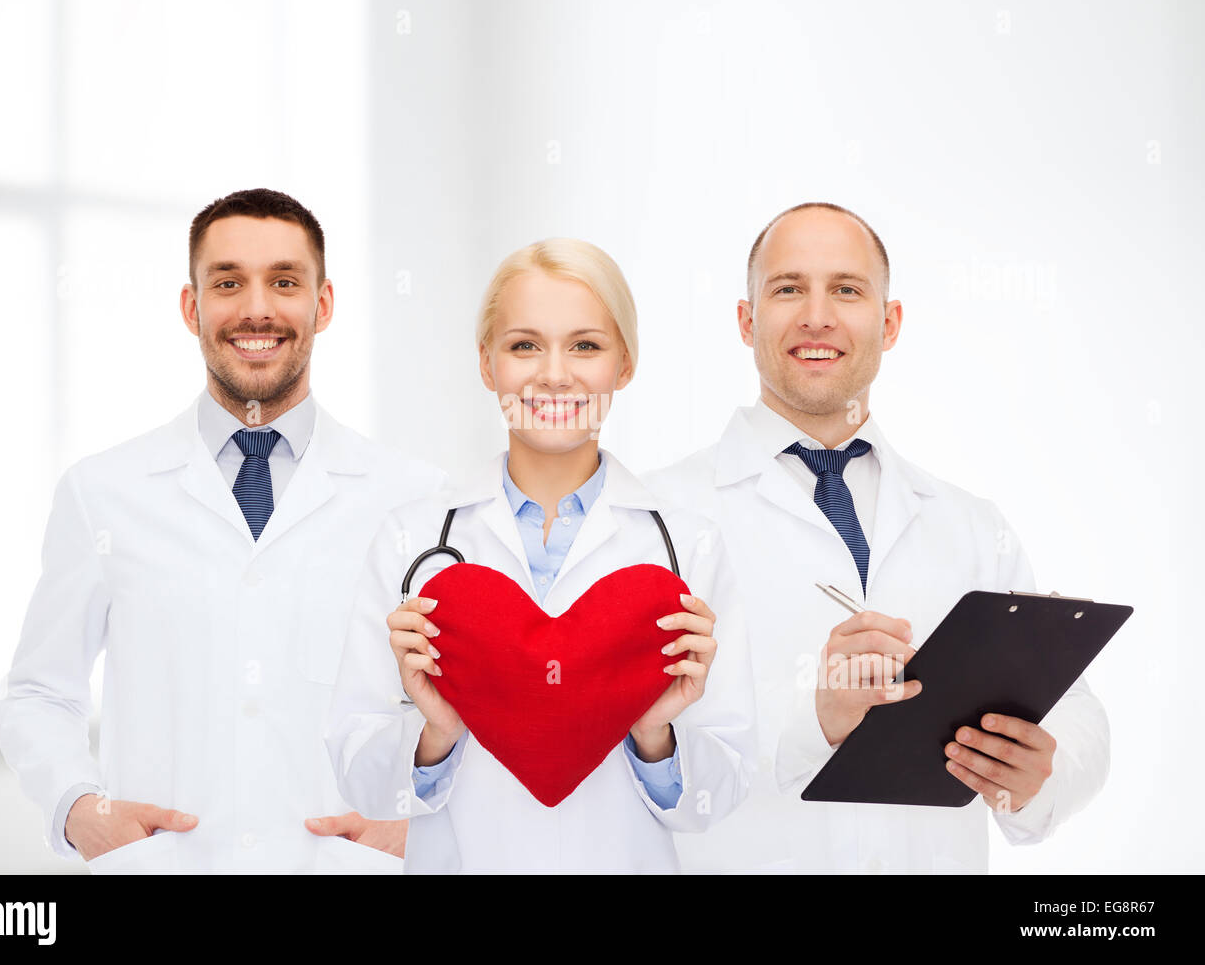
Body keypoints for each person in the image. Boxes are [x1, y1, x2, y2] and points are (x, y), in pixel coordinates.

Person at [647, 203, 1109, 873]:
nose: (816, 315)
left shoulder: (970, 524)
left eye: (846, 289)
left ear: (889, 323)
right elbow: (640, 754)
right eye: (787, 288)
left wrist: (1040, 774)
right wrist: (816, 717)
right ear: (747, 322)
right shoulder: (663, 514)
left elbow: (1080, 715)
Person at [0, 188, 442, 873]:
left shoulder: (411, 499)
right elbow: (38, 691)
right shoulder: (103, 492)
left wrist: (418, 829)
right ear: (191, 307)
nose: (257, 307)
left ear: (322, 306)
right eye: (228, 282)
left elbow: (465, 703)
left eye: (284, 282)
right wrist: (79, 810)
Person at [325, 238, 756, 872]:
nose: (554, 374)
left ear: (625, 366)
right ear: (486, 364)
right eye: (524, 345)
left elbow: (717, 797)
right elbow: (361, 778)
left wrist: (655, 731)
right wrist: (437, 731)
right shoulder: (410, 540)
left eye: (586, 345)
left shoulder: (687, 547)